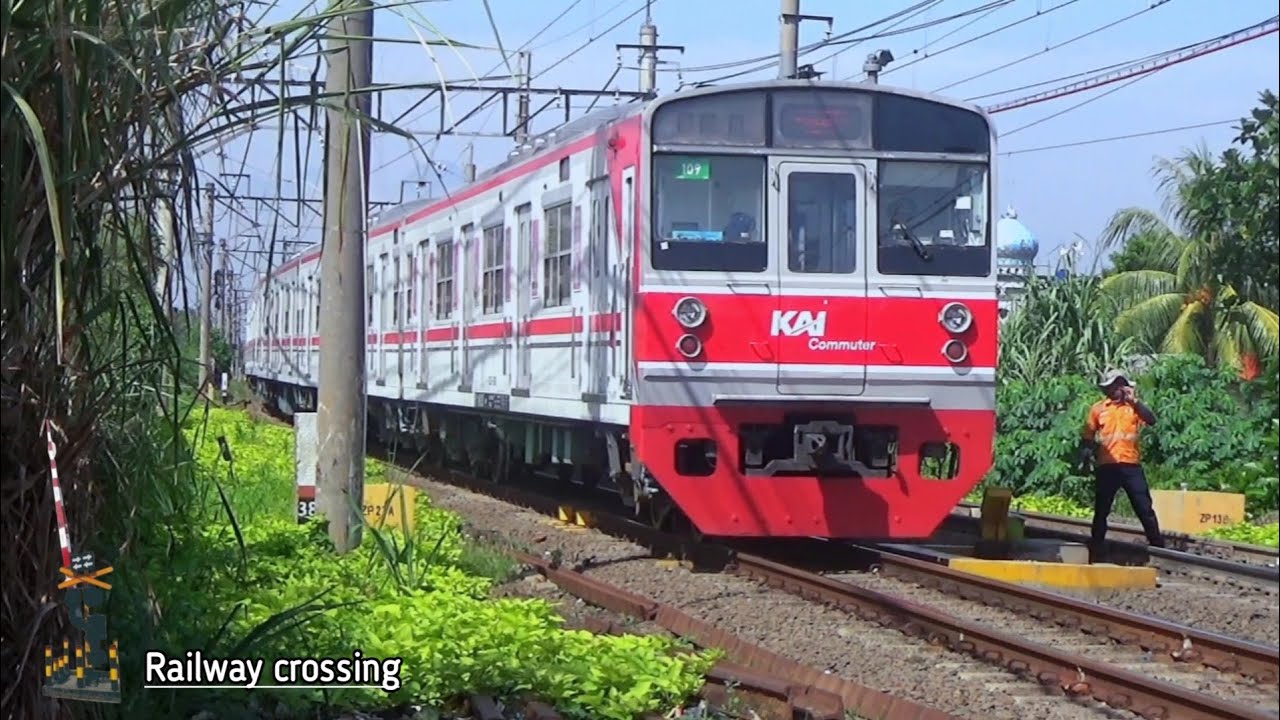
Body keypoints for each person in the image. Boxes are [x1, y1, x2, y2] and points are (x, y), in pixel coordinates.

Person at [1079, 369, 1166, 559]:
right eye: (1112, 386)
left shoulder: (1134, 408)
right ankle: (1096, 546)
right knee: (1102, 509)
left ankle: (1158, 546)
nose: (1115, 389)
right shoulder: (1098, 409)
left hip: (1131, 464)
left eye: (1119, 385)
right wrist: (1086, 459)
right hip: (1107, 465)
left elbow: (1151, 420)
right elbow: (1087, 436)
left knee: (1144, 507)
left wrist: (1135, 402)